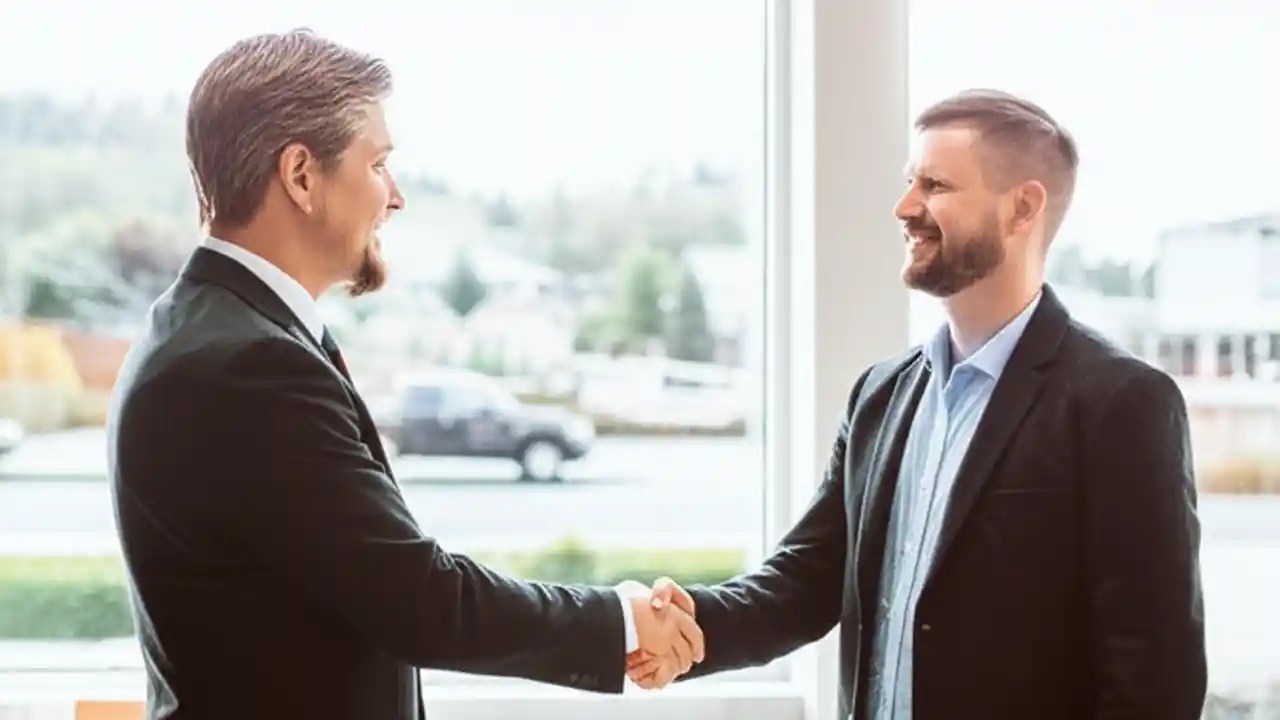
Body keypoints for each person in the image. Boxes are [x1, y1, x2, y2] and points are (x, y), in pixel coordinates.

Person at [107, 30, 702, 719]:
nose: (396, 197)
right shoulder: (248, 367)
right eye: (379, 163)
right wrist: (622, 620)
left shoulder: (211, 329)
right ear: (301, 175)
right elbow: (419, 602)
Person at [626, 89, 1207, 719]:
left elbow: (1154, 685)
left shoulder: (1123, 405)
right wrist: (688, 624)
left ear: (1022, 208)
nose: (905, 207)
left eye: (934, 185)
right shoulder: (881, 393)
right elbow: (809, 581)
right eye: (910, 181)